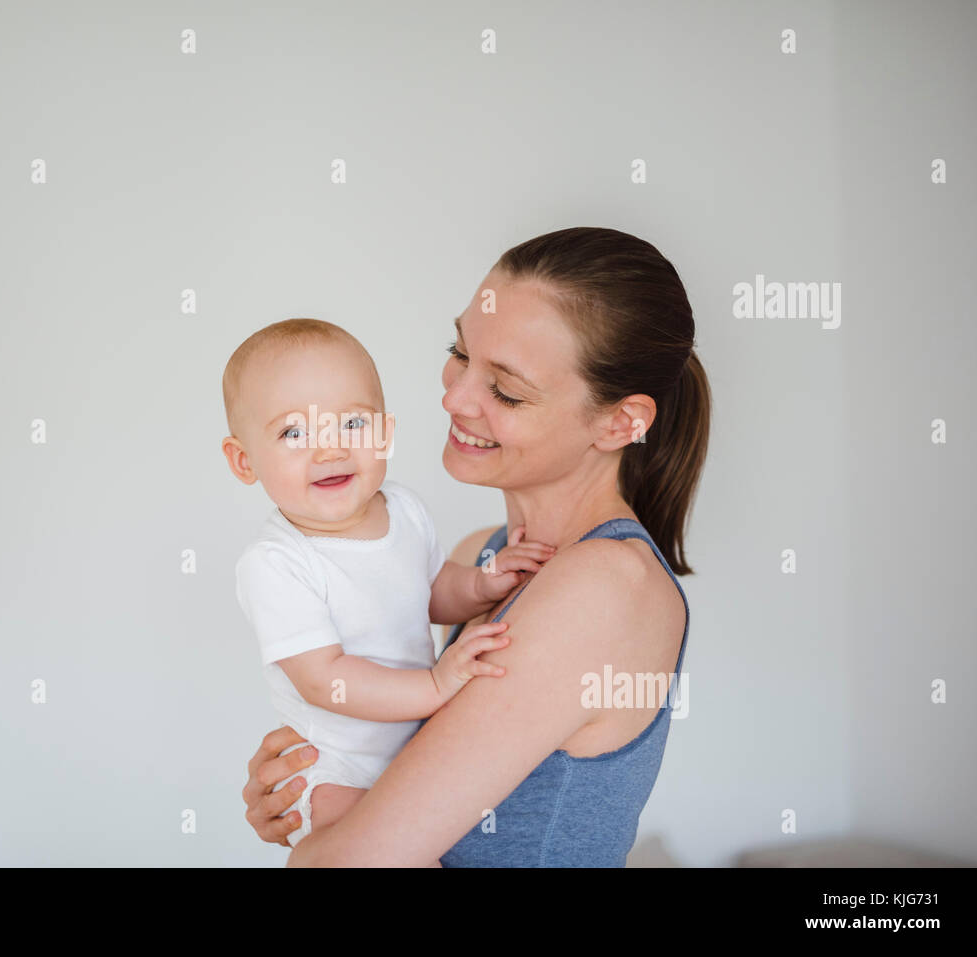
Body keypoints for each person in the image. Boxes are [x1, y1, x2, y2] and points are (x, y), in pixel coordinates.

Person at [240, 226, 711, 866]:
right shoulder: (475, 556)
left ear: (620, 422)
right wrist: (314, 783)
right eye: (459, 353)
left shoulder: (603, 588)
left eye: (507, 390)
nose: (453, 397)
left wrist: (323, 846)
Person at [221, 318, 557, 849]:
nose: (328, 450)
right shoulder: (276, 563)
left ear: (386, 432)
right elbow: (322, 678)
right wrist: (436, 687)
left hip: (409, 758)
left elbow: (431, 591)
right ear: (244, 461)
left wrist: (485, 583)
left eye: (351, 424)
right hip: (334, 770)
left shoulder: (403, 509)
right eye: (293, 433)